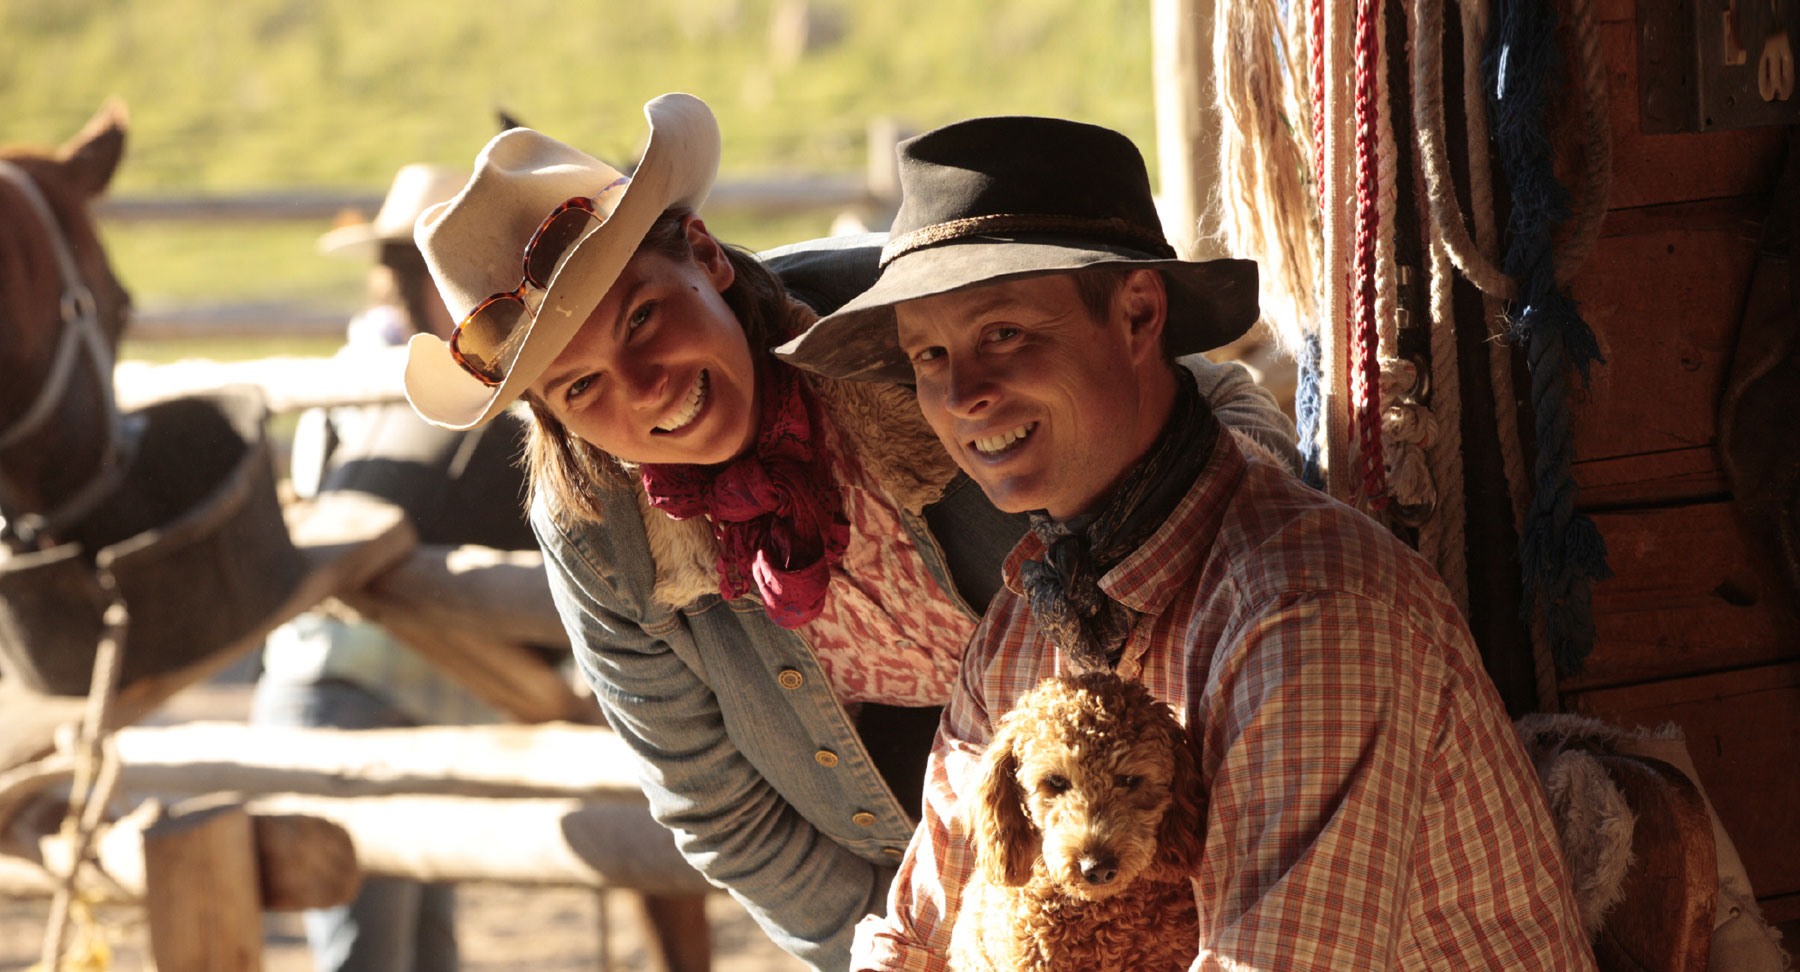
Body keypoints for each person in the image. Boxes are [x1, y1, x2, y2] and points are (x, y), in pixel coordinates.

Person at [399, 93, 1298, 972]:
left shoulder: (905, 304)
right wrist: (912, 948)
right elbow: (718, 808)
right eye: (582, 388)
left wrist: (1258, 578)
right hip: (908, 880)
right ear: (555, 420)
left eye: (642, 318)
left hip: (1167, 823)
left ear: (704, 255)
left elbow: (1203, 398)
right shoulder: (599, 528)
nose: (644, 386)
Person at [773, 115, 1599, 970]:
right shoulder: (1028, 620)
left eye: (1004, 335)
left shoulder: (1308, 618)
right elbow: (917, 936)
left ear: (1137, 314)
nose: (963, 394)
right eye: (930, 356)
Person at [252, 163, 535, 972]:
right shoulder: (431, 387)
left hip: (393, 699)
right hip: (356, 693)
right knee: (372, 957)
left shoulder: (360, 378)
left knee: (420, 951)